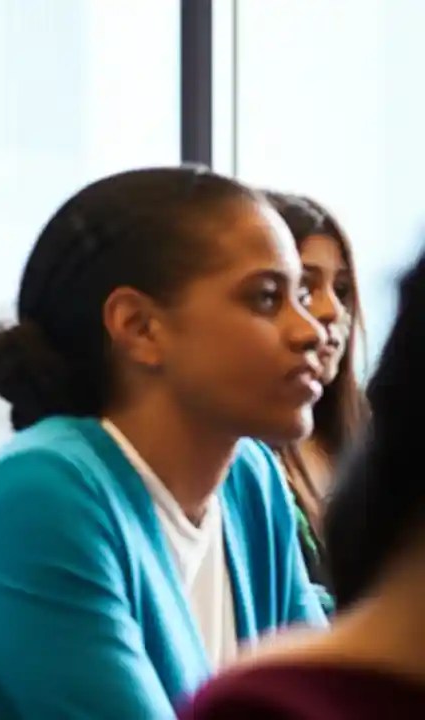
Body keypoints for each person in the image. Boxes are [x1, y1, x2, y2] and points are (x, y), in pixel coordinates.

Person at [0, 167, 327, 720]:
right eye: (266, 298)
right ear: (140, 327)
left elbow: (314, 697)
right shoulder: (39, 493)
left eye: (304, 294)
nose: (311, 329)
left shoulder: (250, 476)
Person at [179, 247, 425, 719]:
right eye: (270, 297)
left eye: (342, 290)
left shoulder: (258, 469)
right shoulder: (278, 703)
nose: (320, 321)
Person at [264, 191, 367, 596]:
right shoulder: (235, 460)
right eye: (306, 288)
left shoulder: (367, 434)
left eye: (341, 290)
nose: (331, 311)